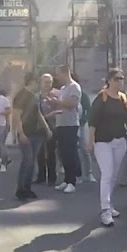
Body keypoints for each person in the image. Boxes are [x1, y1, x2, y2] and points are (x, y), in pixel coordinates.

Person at [87, 69, 127, 226]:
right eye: (117, 79)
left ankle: (109, 203)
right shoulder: (102, 97)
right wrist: (90, 140)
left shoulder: (122, 98)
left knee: (114, 175)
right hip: (103, 141)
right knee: (107, 173)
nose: (120, 81)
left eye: (122, 78)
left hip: (120, 140)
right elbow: (92, 120)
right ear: (110, 81)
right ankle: (104, 210)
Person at [10, 71, 50, 201]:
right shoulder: (21, 96)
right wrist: (20, 133)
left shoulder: (34, 96)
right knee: (27, 160)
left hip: (36, 133)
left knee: (32, 162)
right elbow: (16, 116)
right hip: (26, 133)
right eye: (37, 81)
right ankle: (20, 189)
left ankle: (27, 188)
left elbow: (38, 113)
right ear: (32, 81)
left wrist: (46, 128)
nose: (38, 84)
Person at [52, 65, 82, 193]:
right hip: (61, 123)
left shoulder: (74, 87)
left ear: (65, 73)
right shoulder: (63, 89)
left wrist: (57, 101)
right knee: (63, 153)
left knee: (70, 153)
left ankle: (72, 181)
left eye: (58, 74)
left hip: (70, 124)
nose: (57, 78)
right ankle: (66, 180)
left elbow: (72, 104)